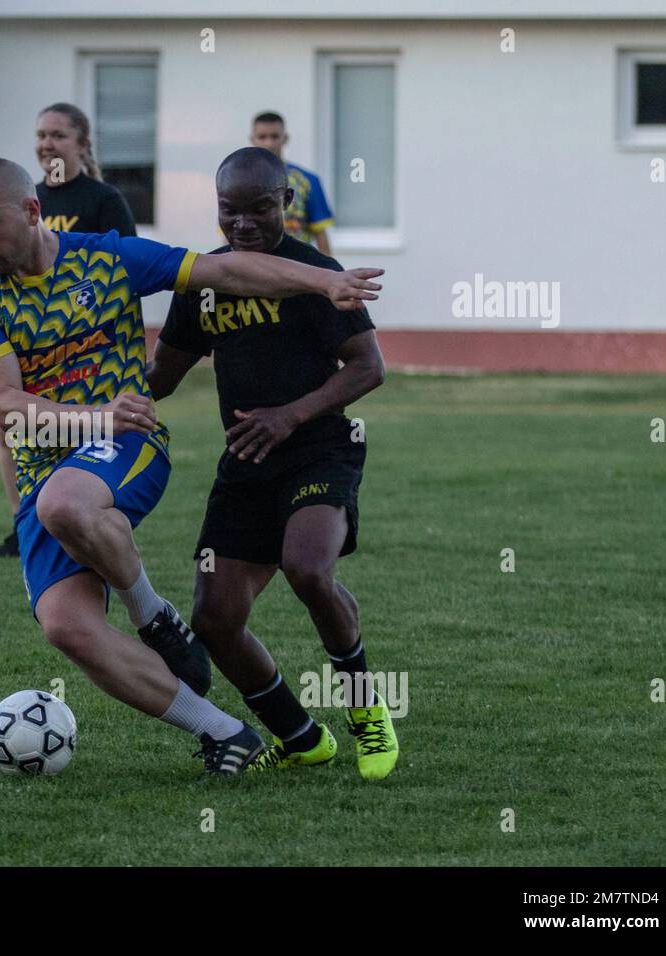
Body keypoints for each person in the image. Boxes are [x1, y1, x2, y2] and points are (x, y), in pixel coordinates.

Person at [0, 157, 383, 776]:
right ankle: (225, 733)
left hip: (129, 446)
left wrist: (321, 282)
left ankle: (150, 611)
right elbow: (6, 406)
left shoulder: (107, 257)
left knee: (64, 504)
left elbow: (224, 268)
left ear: (31, 211)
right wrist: (98, 414)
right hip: (65, 452)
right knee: (66, 629)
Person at [147, 147, 399, 780]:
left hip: (318, 447)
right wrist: (94, 394)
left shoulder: (315, 272)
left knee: (308, 569)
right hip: (247, 460)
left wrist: (291, 414)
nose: (243, 225)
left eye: (259, 209)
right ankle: (300, 734)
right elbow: (163, 377)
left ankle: (367, 712)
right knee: (214, 618)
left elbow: (369, 367)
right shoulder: (204, 281)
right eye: (229, 212)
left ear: (286, 202)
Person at [0, 103, 137, 559]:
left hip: (84, 346)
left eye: (58, 135)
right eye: (41, 134)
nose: (47, 143)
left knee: (75, 430)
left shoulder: (102, 200)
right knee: (14, 428)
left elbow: (124, 270)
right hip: (29, 343)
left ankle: (86, 517)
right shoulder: (28, 200)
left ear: (82, 144)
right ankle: (24, 524)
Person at [249, 112, 334, 254]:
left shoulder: (308, 180)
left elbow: (320, 234)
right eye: (262, 137)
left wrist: (332, 273)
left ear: (285, 138)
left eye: (274, 136)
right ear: (252, 139)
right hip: (255, 268)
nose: (269, 143)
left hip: (298, 265)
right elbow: (230, 234)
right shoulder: (239, 181)